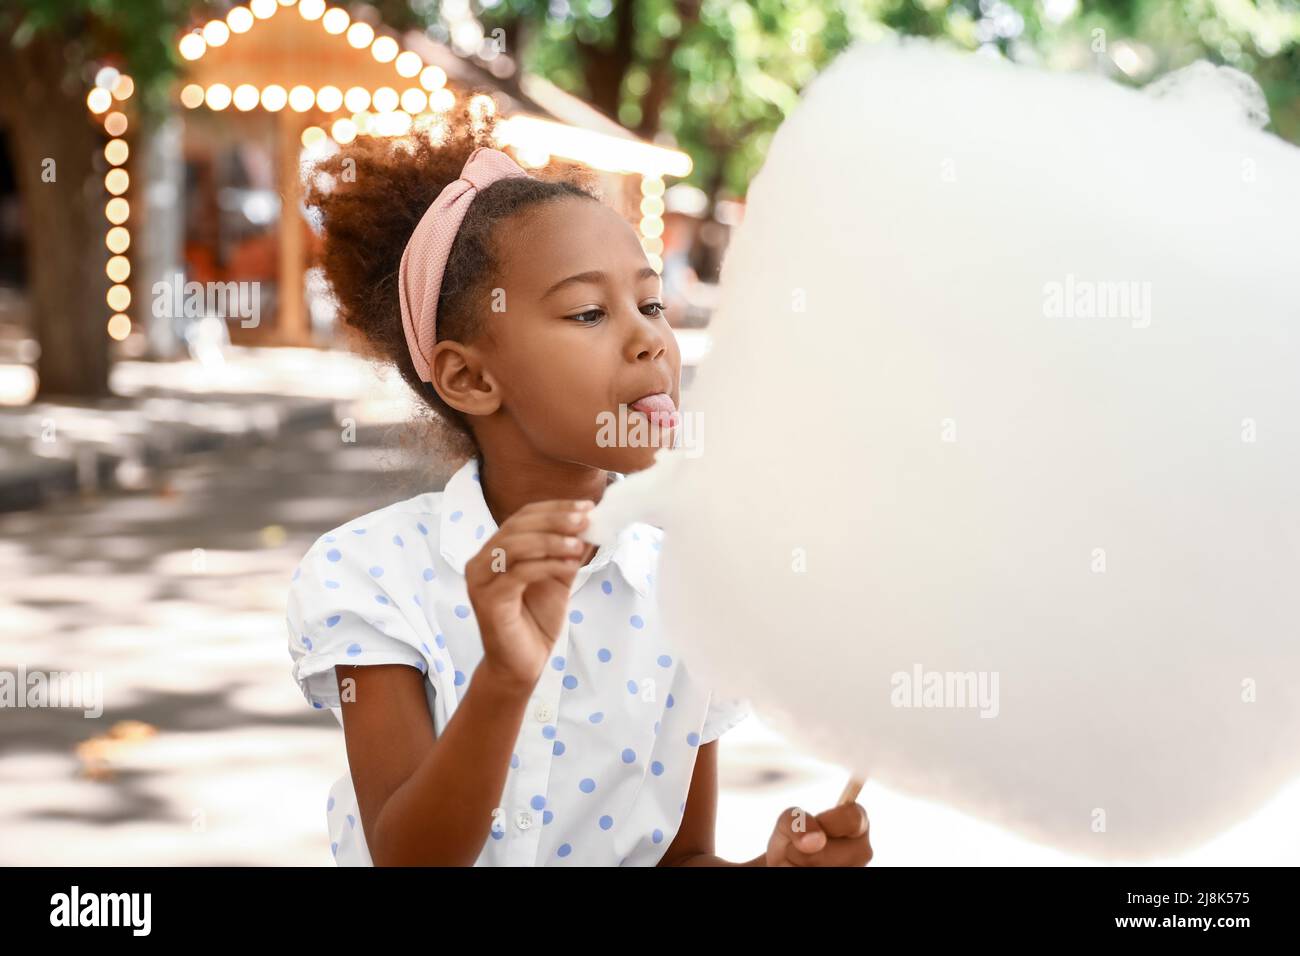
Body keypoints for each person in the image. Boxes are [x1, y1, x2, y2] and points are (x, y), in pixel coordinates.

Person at [283, 103, 872, 867]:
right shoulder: (373, 577)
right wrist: (504, 678)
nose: (649, 340)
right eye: (590, 311)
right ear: (469, 376)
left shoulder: (690, 595)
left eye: (651, 302)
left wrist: (773, 869)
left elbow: (681, 857)